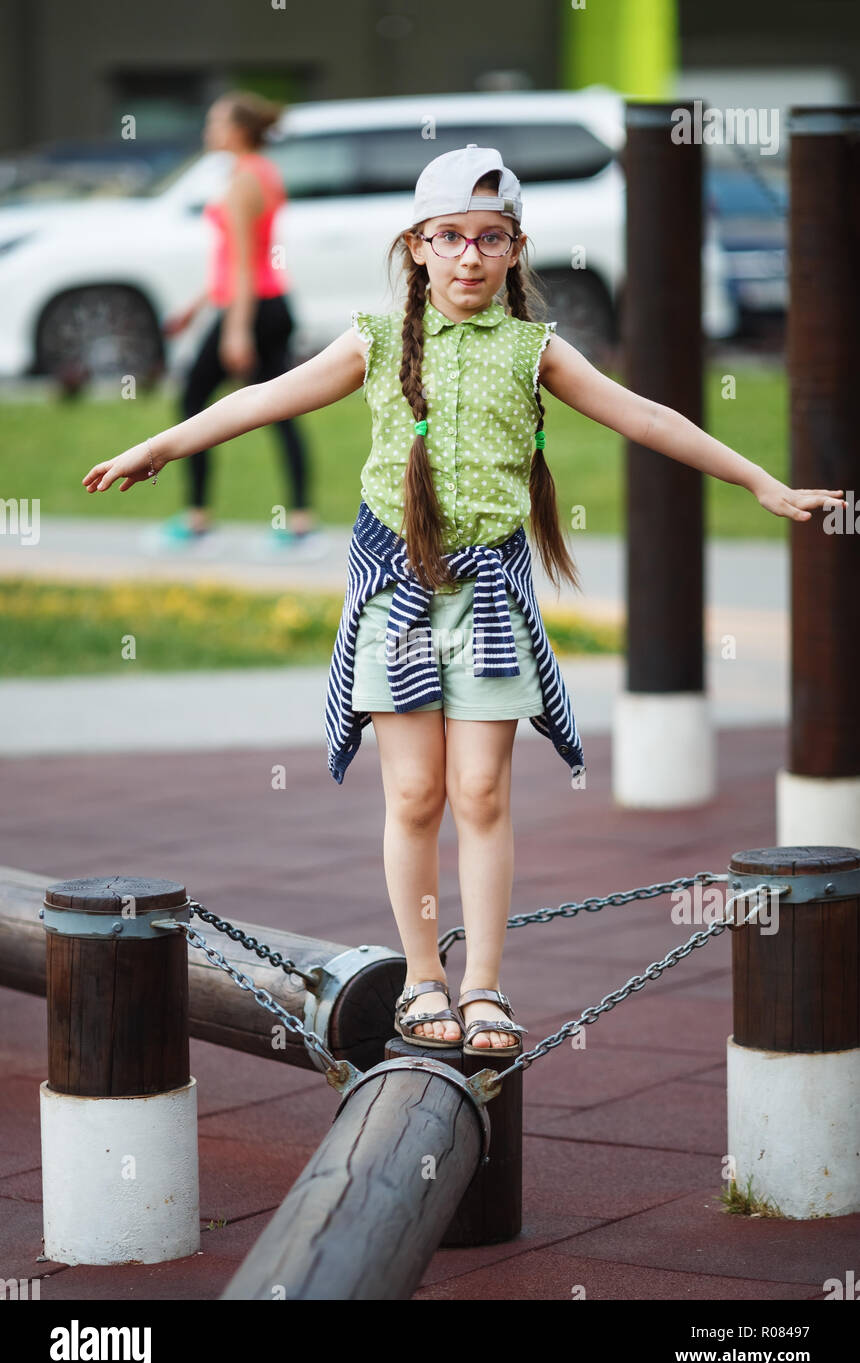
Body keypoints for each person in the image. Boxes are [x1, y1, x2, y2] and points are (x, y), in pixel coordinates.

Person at [82, 145, 846, 1056]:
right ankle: (422, 978)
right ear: (416, 246)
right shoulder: (372, 338)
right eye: (451, 238)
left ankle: (482, 983)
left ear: (517, 249)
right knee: (414, 794)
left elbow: (648, 416)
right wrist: (160, 445)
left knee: (481, 791)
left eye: (492, 239)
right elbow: (266, 398)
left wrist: (761, 482)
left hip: (489, 598)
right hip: (396, 594)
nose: (471, 257)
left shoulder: (536, 351)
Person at [156, 89, 325, 557]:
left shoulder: (242, 181)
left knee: (193, 397)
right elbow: (237, 260)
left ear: (238, 130)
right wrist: (197, 305)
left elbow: (247, 266)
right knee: (278, 408)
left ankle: (196, 517)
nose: (209, 130)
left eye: (216, 122)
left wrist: (235, 329)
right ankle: (301, 519)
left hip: (252, 308)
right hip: (267, 304)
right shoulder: (260, 173)